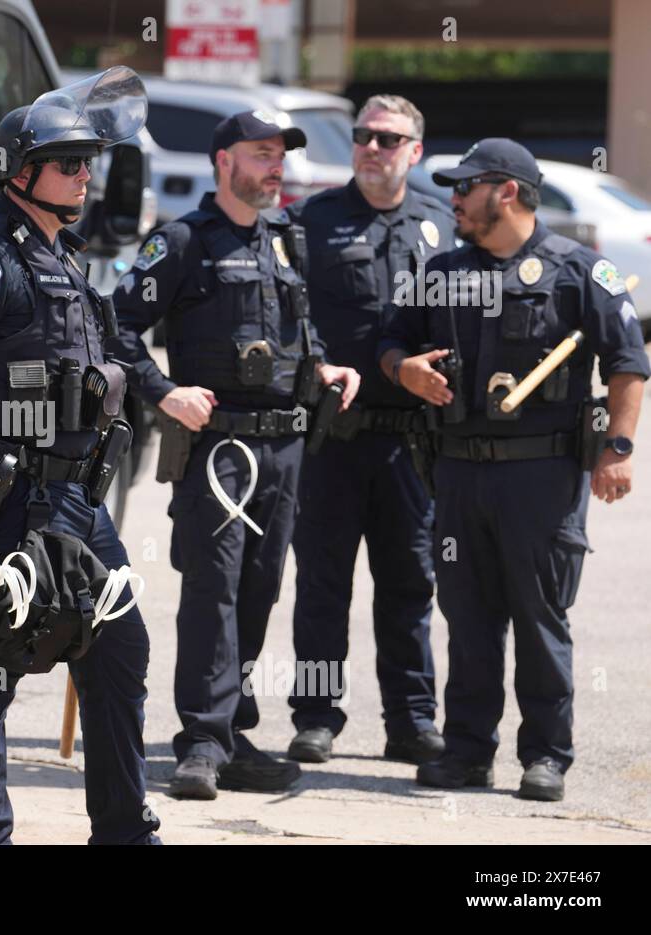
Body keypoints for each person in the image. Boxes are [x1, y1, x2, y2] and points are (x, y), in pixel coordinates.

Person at [0, 67, 160, 844]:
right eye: (70, 163)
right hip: (10, 501)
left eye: (90, 162)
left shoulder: (68, 257)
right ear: (19, 172)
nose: (86, 175)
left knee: (118, 646)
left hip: (76, 503)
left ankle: (122, 829)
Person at [378, 138, 648, 801]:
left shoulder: (580, 271)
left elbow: (627, 362)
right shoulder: (440, 271)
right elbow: (390, 341)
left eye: (466, 189)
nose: (454, 200)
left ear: (505, 191)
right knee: (468, 617)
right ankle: (468, 751)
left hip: (543, 479)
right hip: (459, 474)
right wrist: (404, 368)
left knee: (540, 615)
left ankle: (547, 754)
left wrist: (617, 449)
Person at [109, 110, 360, 800]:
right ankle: (199, 742)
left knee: (258, 589)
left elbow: (294, 332)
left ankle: (230, 732)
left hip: (284, 444)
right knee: (213, 591)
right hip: (218, 447)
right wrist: (164, 391)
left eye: (281, 156)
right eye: (261, 154)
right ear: (224, 162)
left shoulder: (288, 239)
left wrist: (328, 369)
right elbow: (116, 325)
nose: (276, 167)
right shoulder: (185, 240)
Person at [284, 95, 455, 766]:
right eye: (363, 136)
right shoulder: (311, 222)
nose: (372, 148)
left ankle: (412, 722)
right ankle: (317, 716)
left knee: (410, 584)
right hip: (333, 437)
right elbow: (283, 310)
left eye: (388, 139)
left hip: (412, 442)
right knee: (323, 584)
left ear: (414, 151)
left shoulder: (442, 224)